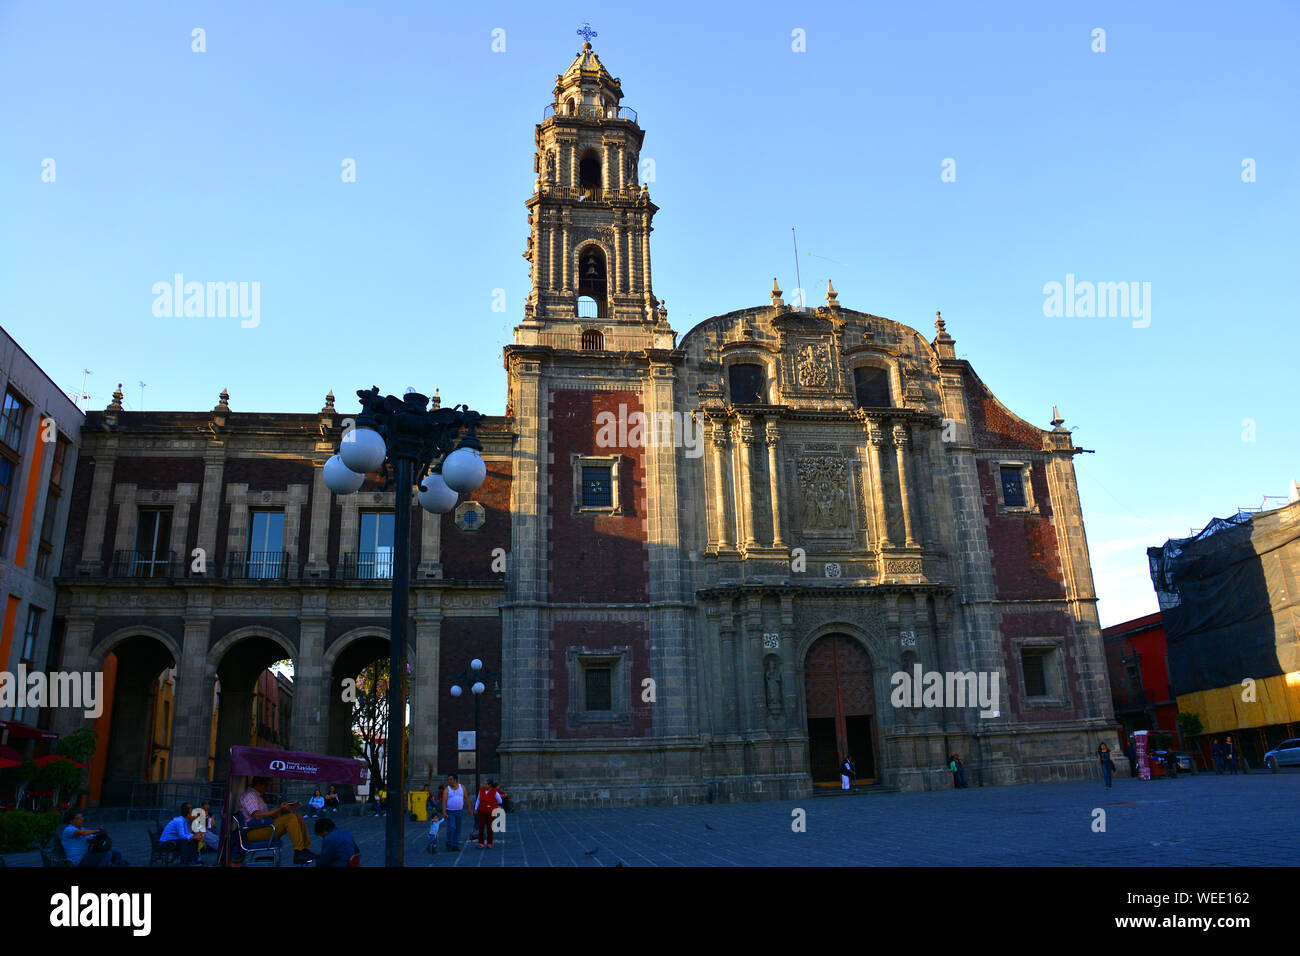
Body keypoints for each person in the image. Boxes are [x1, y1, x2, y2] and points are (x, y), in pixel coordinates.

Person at [239, 776, 315, 864]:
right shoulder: (250, 795)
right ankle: (299, 851)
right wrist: (279, 809)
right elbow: (257, 815)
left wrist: (282, 809)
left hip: (262, 826)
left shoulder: (257, 796)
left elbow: (266, 815)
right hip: (254, 831)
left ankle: (304, 849)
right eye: (266, 786)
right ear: (258, 784)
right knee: (291, 818)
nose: (267, 789)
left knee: (297, 816)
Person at [474, 779, 504, 849]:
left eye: (486, 784)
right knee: (481, 827)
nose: (484, 785)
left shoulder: (495, 792)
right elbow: (478, 800)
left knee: (490, 828)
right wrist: (476, 808)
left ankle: (489, 843)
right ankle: (481, 843)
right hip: (482, 811)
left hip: (491, 812)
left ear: (489, 785)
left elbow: (500, 801)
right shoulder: (481, 791)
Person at [442, 774, 467, 850]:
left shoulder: (462, 787)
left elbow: (466, 797)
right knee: (452, 827)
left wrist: (469, 808)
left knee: (458, 829)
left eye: (450, 779)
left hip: (459, 811)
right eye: (448, 779)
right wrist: (444, 812)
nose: (449, 781)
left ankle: (455, 844)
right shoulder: (447, 789)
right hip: (450, 811)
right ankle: (449, 843)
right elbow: (444, 801)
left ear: (455, 780)